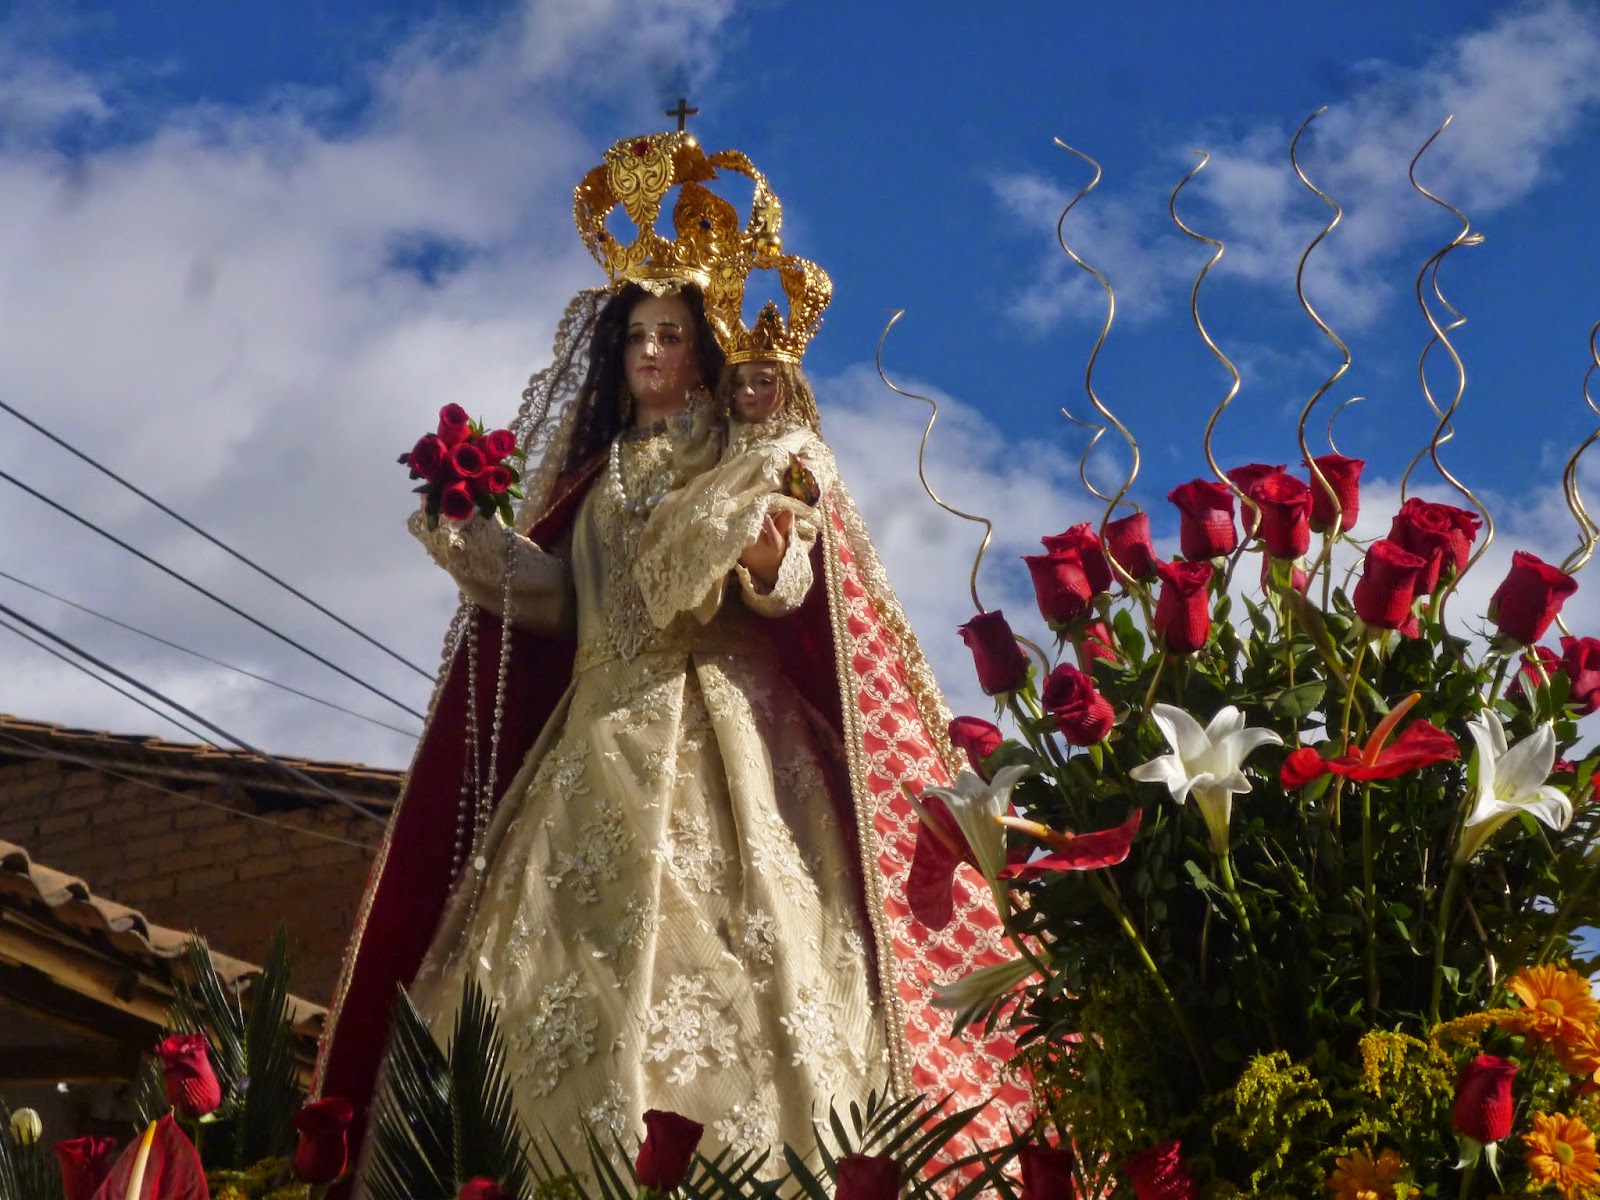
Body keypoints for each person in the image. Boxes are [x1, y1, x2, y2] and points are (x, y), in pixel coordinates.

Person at [312, 131, 1027, 1176]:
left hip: (722, 727)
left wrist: (768, 549)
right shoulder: (599, 477)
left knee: (744, 952)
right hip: (594, 735)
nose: (650, 354)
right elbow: (565, 603)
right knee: (552, 959)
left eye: (671, 336)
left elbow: (785, 585)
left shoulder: (749, 453)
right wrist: (469, 534)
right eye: (638, 336)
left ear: (711, 347)